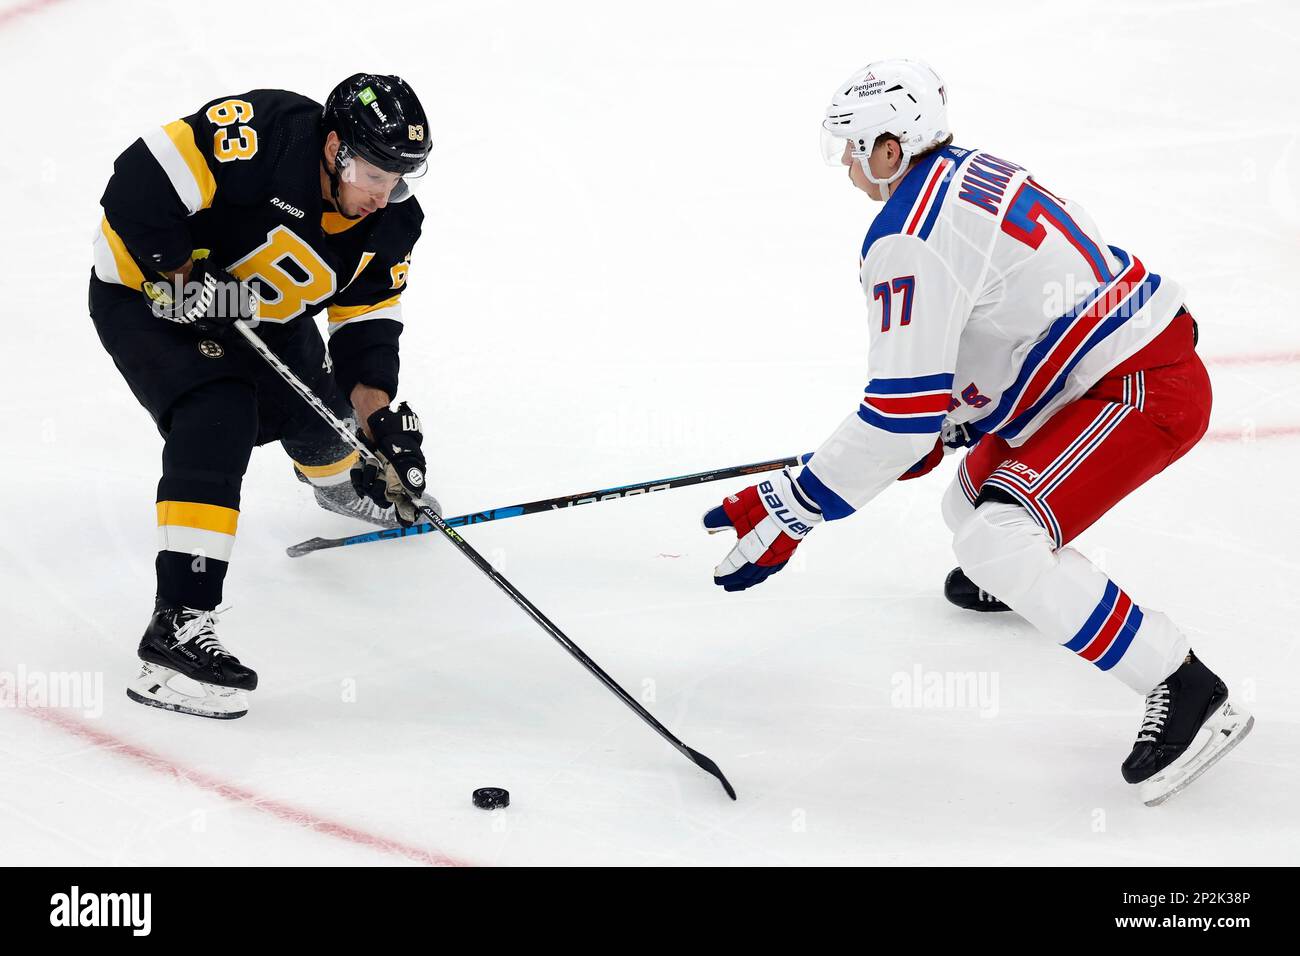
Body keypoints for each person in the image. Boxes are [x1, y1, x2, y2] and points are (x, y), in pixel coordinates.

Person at [704, 59, 1253, 805]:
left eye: (853, 147)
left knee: (996, 538)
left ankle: (1186, 688)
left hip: (1141, 387)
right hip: (1090, 377)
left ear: (891, 146)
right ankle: (1034, 585)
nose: (845, 166)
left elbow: (897, 418)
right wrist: (948, 415)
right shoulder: (968, 172)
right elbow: (1004, 319)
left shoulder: (906, 236)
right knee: (968, 510)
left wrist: (795, 507)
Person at [91, 73, 436, 719]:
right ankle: (177, 629)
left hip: (262, 315)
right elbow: (140, 176)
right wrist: (183, 275)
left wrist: (379, 416)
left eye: (396, 179)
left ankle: (340, 485)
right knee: (217, 413)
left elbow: (364, 326)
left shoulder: (392, 223)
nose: (380, 196)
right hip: (150, 300)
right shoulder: (267, 133)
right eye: (370, 174)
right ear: (334, 146)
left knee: (325, 419)